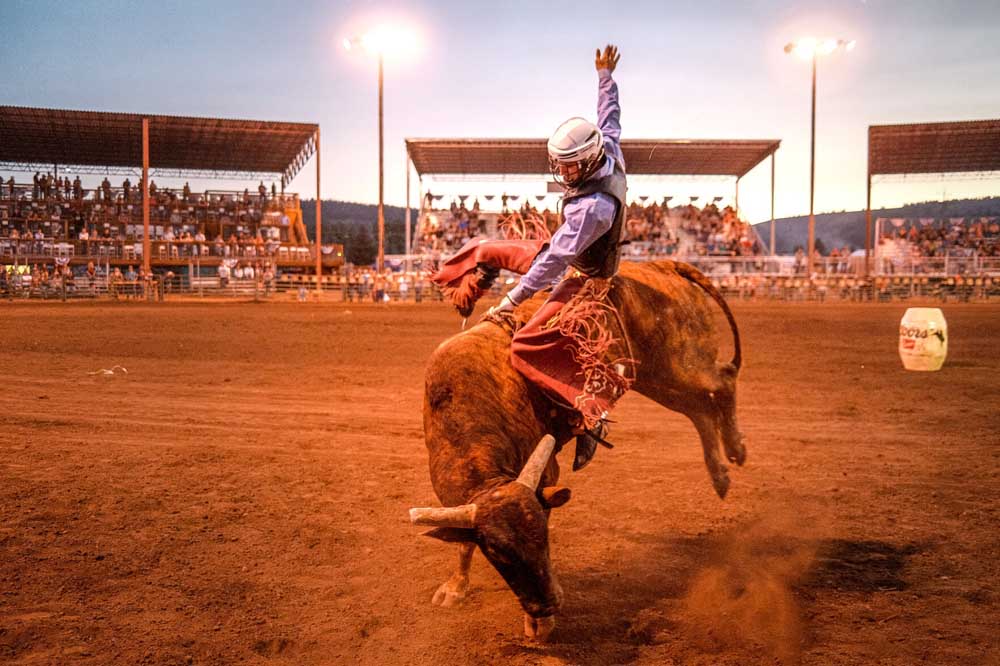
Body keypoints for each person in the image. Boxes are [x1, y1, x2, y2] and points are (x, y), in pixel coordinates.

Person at [431, 45, 627, 471]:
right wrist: (604, 75)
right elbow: (609, 114)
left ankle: (590, 417)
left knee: (529, 344)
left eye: (571, 167)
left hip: (586, 275)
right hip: (569, 252)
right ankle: (461, 275)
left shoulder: (592, 209)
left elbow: (555, 261)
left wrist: (511, 301)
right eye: (562, 165)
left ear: (588, 161)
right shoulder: (608, 147)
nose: (565, 173)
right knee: (489, 248)